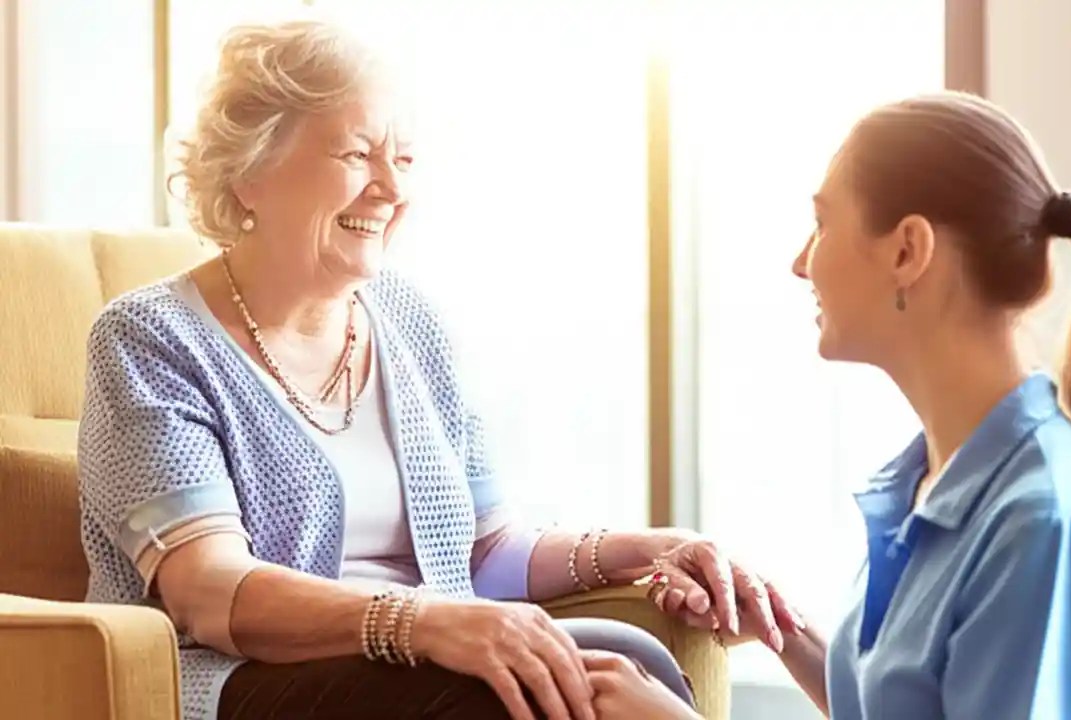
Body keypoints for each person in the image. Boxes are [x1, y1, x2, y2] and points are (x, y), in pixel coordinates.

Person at [76, 20, 800, 720]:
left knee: (628, 658)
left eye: (406, 159)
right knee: (502, 696)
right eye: (357, 154)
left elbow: (486, 552)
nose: (391, 186)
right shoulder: (152, 339)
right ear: (250, 173)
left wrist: (646, 547)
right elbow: (209, 592)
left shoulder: (409, 322)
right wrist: (424, 623)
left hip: (420, 657)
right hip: (241, 678)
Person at [583, 91, 1071, 719]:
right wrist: (785, 631)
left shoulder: (1041, 528)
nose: (801, 263)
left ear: (908, 250)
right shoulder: (935, 487)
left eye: (822, 224)